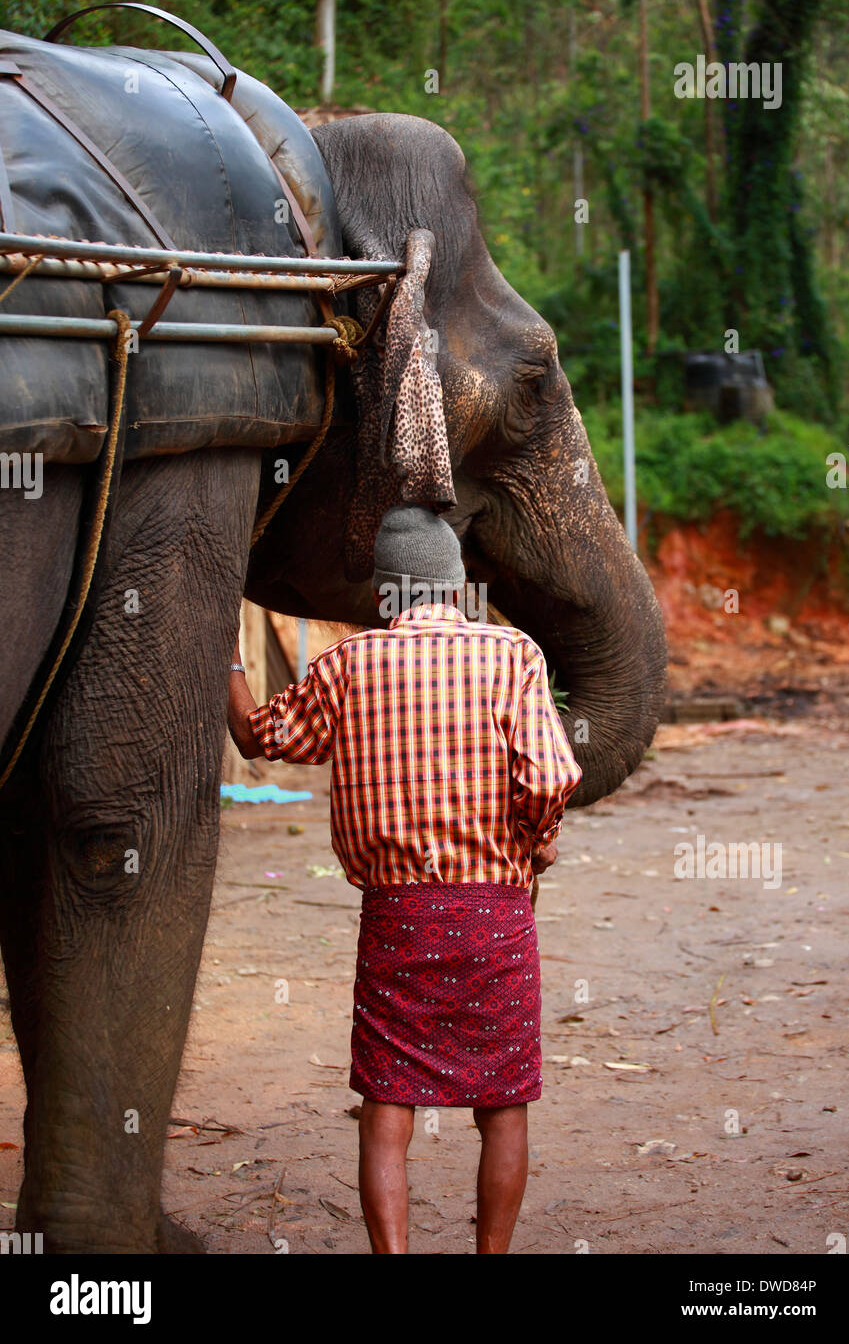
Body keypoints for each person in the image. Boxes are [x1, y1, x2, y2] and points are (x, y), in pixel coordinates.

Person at [227, 504, 582, 1253]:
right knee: (504, 1102)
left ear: (386, 592)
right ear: (454, 587)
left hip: (397, 919)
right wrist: (537, 844)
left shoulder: (348, 666)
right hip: (495, 915)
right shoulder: (512, 656)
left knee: (388, 1098)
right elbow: (552, 776)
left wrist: (226, 659)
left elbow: (257, 736)